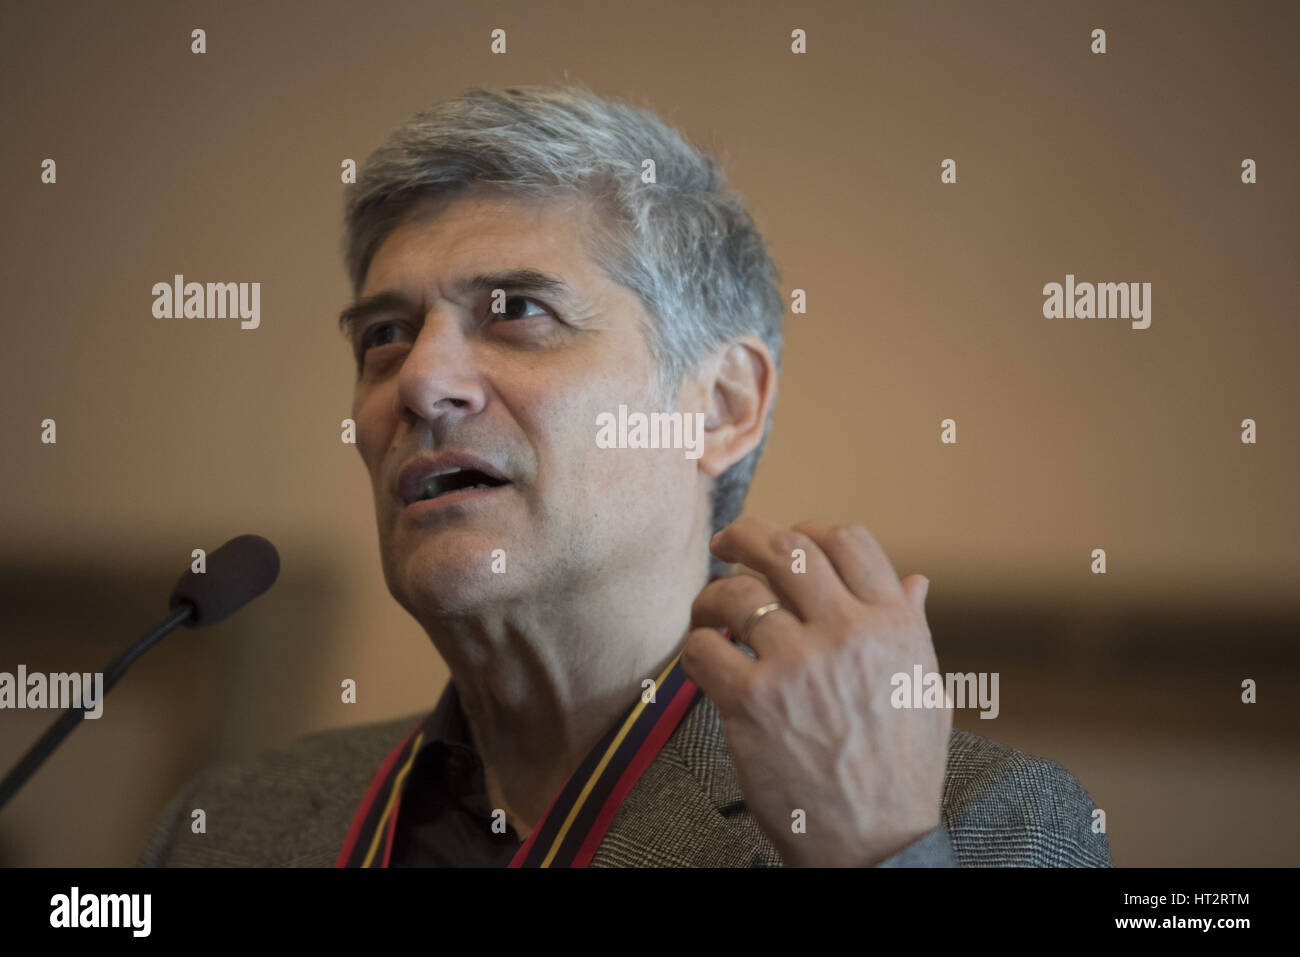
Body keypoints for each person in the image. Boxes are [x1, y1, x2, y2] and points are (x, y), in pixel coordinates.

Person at [138, 84, 1110, 868]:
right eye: (386, 336)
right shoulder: (230, 828)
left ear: (722, 404)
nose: (421, 382)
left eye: (517, 309)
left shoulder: (976, 826)